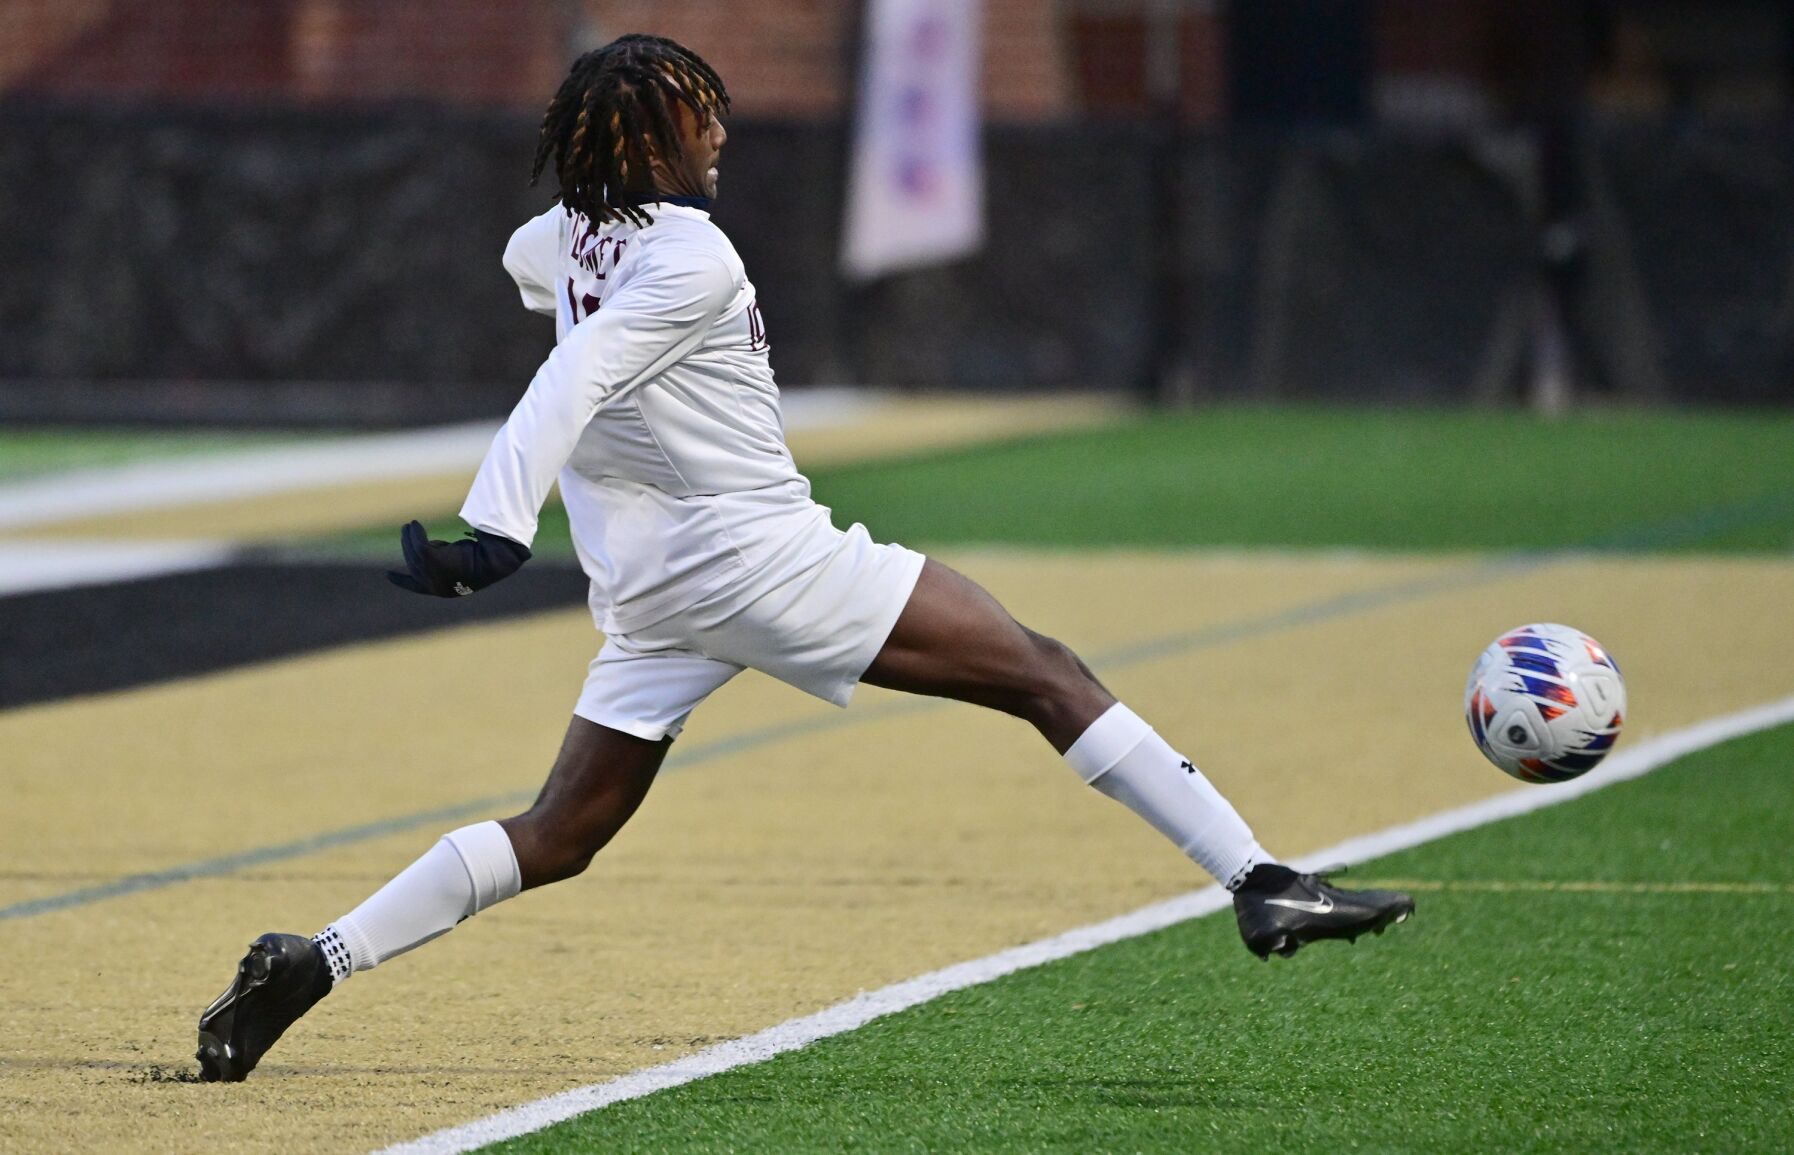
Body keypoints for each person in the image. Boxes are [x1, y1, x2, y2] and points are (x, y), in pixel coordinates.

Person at [196, 34, 1412, 1084]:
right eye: (695, 114)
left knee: (559, 831)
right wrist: (500, 527)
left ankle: (316, 961)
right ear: (645, 140)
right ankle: (1260, 879)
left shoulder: (546, 243)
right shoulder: (695, 255)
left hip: (654, 591)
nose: (718, 129)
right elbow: (574, 375)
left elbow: (553, 307)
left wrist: (558, 471)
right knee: (1046, 673)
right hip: (759, 558)